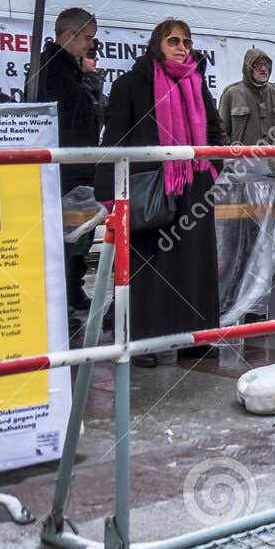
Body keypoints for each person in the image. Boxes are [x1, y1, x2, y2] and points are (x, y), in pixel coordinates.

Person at [100, 19, 225, 365]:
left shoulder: (197, 84)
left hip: (195, 186)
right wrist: (111, 190)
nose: (182, 47)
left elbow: (214, 130)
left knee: (195, 266)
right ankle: (143, 342)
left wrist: (213, 168)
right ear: (157, 44)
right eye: (174, 41)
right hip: (150, 186)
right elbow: (114, 137)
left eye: (186, 41)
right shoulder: (131, 84)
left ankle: (195, 337)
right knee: (149, 266)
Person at [28, 7, 105, 318]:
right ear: (69, 35)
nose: (91, 45)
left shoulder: (64, 69)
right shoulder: (55, 71)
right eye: (88, 38)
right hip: (64, 171)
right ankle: (59, 298)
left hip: (72, 169)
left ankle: (69, 291)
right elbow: (78, 119)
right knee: (63, 241)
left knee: (76, 240)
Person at [218, 47, 275, 178]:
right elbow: (221, 131)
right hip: (242, 167)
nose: (263, 69)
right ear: (248, 67)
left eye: (266, 65)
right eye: (258, 65)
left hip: (274, 167)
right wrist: (233, 156)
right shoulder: (232, 93)